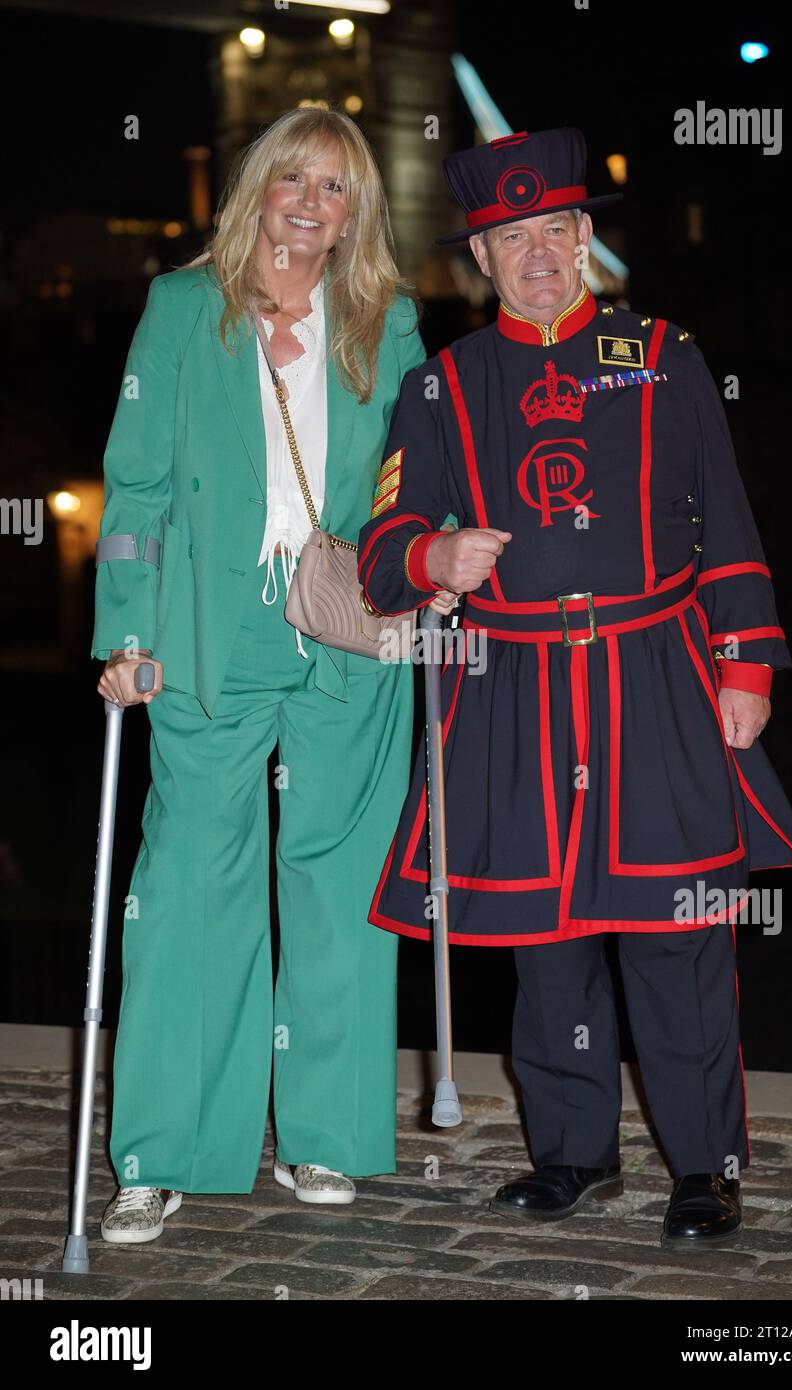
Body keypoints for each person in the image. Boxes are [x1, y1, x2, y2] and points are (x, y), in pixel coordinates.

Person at [357, 128, 792, 1248]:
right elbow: (382, 543)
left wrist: (742, 660)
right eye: (509, 239)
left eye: (552, 231)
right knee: (542, 934)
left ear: (584, 239)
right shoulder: (440, 381)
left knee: (675, 927)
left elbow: (725, 518)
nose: (535, 255)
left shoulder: (661, 353)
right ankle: (571, 1151)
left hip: (653, 671)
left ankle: (703, 1164)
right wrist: (429, 557)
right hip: (510, 685)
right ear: (480, 257)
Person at [90, 108, 452, 1244]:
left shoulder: (385, 319)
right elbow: (137, 490)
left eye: (335, 189)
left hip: (341, 625)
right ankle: (164, 1149)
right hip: (208, 626)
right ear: (255, 188)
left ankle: (325, 1139)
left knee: (341, 882)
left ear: (356, 214)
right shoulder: (181, 309)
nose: (311, 201)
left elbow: (417, 472)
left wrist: (430, 555)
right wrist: (123, 631)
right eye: (293, 178)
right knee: (191, 879)